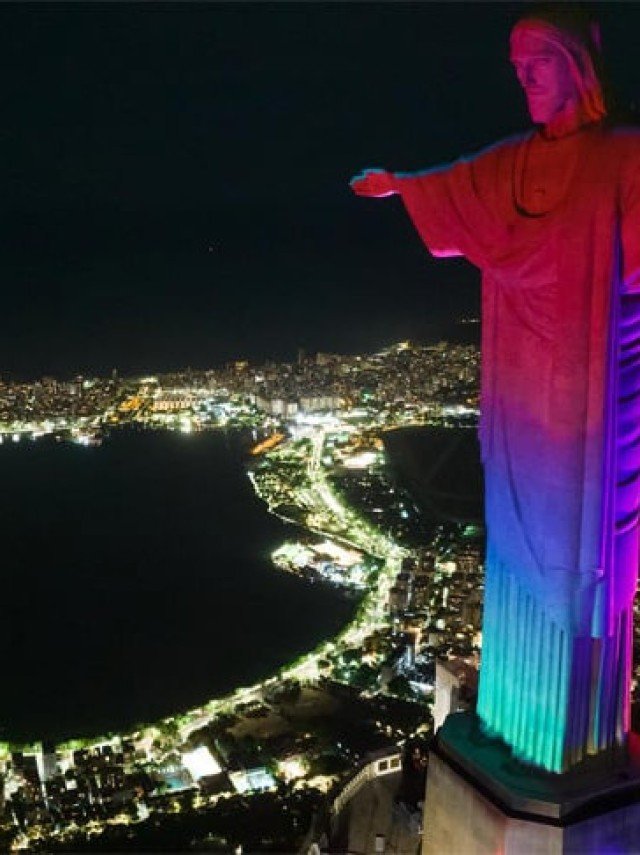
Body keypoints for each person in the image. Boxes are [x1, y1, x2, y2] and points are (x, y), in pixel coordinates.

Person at [351, 6, 640, 773]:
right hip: (519, 399)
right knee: (515, 552)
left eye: (535, 64)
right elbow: (454, 188)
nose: (524, 81)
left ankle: (572, 747)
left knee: (578, 570)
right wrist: (399, 186)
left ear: (575, 64)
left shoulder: (625, 158)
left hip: (588, 409)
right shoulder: (513, 164)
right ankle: (522, 727)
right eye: (516, 70)